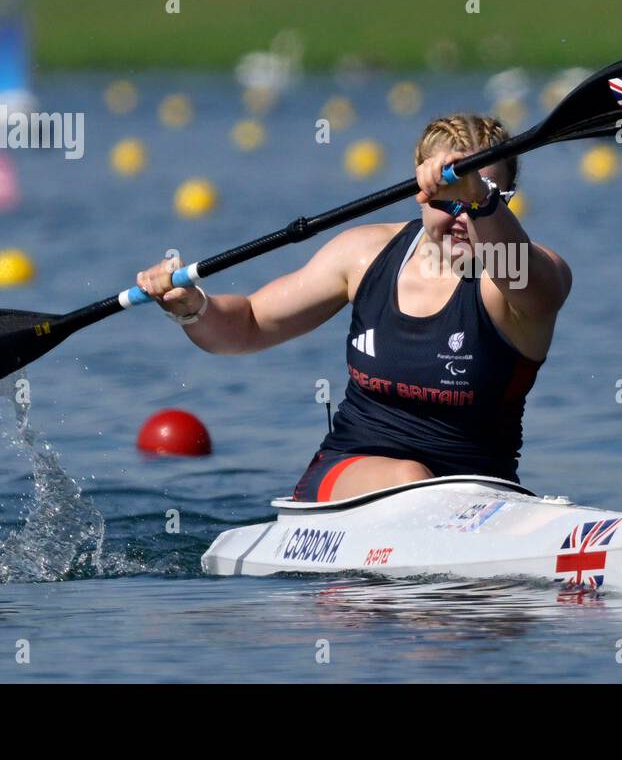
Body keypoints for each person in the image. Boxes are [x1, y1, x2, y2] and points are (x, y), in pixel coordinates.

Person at [136, 114, 572, 501]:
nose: (463, 216)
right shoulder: (362, 256)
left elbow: (529, 282)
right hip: (348, 481)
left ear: (505, 200)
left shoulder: (525, 277)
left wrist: (479, 199)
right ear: (421, 192)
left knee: (428, 489)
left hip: (482, 499)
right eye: (448, 196)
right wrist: (193, 307)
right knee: (409, 477)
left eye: (481, 197)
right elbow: (248, 325)